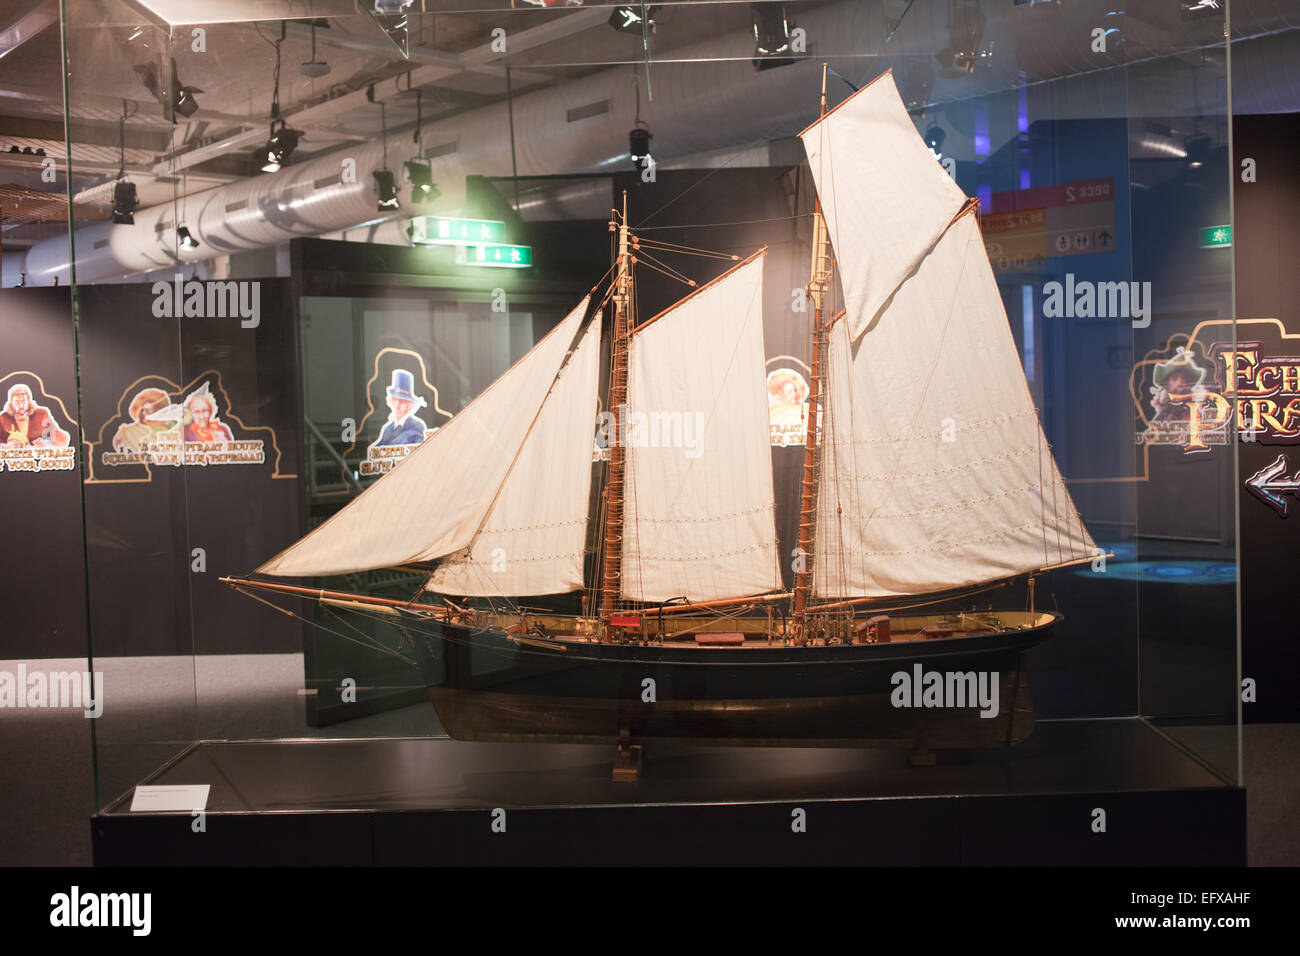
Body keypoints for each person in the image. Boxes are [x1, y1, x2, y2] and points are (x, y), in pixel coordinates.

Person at [1, 383, 70, 448]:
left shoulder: (41, 415)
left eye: (23, 401)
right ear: (11, 403)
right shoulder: (3, 419)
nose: (20, 405)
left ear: (29, 401)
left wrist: (46, 443)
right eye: (16, 402)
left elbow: (63, 440)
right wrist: (5, 446)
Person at [373, 369, 429, 447]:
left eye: (402, 401)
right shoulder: (388, 429)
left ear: (410, 404)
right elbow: (376, 451)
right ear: (391, 401)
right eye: (395, 400)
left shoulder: (417, 426)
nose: (398, 405)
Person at [112, 387, 178, 452]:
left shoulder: (168, 427)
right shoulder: (129, 431)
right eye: (143, 410)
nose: (144, 413)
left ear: (158, 411)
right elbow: (117, 442)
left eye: (148, 411)